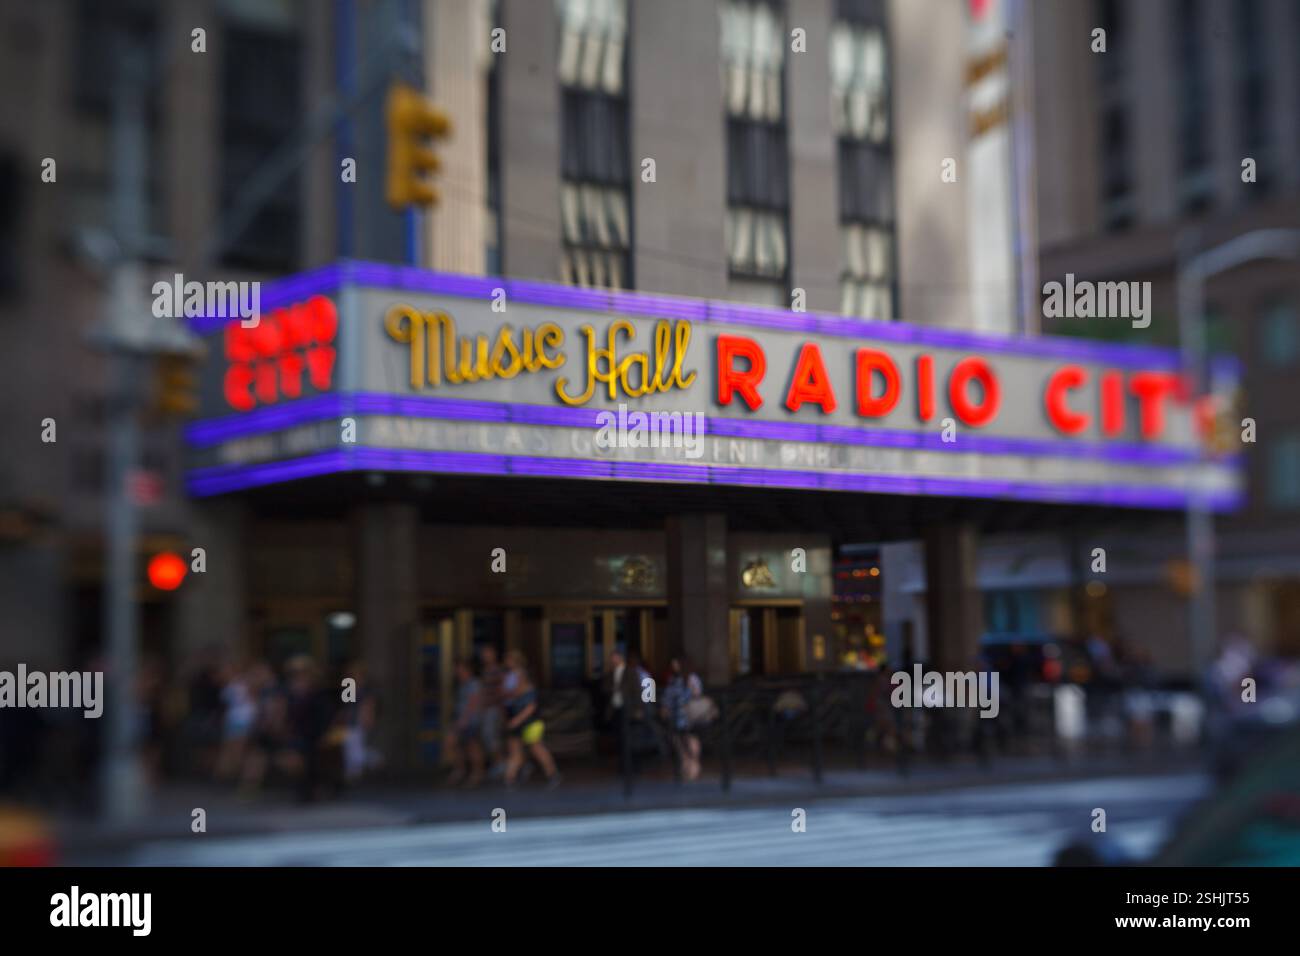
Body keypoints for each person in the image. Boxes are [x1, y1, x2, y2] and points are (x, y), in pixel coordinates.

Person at [502, 652, 560, 789]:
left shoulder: (529, 691)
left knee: (537, 748)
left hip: (531, 723)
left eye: (516, 679)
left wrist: (516, 720)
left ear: (523, 679)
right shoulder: (515, 694)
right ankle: (510, 778)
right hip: (517, 724)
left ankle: (553, 774)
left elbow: (530, 708)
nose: (514, 682)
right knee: (515, 751)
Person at [662, 657, 704, 781]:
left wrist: (691, 688)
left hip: (689, 714)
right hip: (677, 714)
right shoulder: (673, 679)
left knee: (690, 739)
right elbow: (668, 695)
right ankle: (685, 764)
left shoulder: (692, 678)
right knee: (678, 739)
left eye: (676, 664)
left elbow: (697, 694)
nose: (674, 666)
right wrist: (666, 707)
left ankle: (693, 766)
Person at [445, 659, 485, 787]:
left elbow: (473, 703)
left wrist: (464, 720)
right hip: (461, 719)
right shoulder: (462, 685)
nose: (457, 672)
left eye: (459, 669)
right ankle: (460, 770)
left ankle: (477, 773)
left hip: (470, 721)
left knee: (472, 747)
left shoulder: (474, 684)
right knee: (455, 745)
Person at [478, 645, 506, 772]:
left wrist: (500, 706)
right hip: (486, 708)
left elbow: (502, 689)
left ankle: (500, 763)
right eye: (484, 653)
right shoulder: (485, 670)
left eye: (487, 653)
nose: (484, 656)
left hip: (494, 708)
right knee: (489, 736)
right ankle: (499, 763)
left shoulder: (497, 670)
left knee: (491, 736)